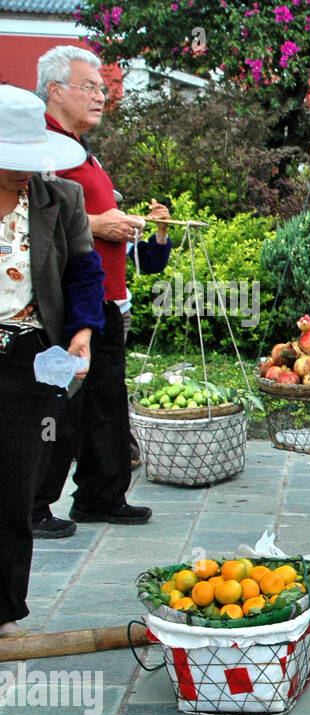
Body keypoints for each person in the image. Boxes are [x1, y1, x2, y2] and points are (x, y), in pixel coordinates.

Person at [30, 45, 162, 538]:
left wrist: (123, 226)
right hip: (64, 302)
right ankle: (36, 503)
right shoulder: (38, 148)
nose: (101, 97)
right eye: (90, 87)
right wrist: (98, 222)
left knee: (105, 399)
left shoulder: (79, 148)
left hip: (103, 295)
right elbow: (34, 219)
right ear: (55, 90)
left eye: (104, 89)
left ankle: (102, 494)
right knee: (59, 403)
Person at [0, 85, 104, 635]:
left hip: (28, 354)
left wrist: (83, 331)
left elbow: (85, 273)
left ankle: (4, 609)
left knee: (16, 485)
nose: (21, 172)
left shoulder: (58, 198)